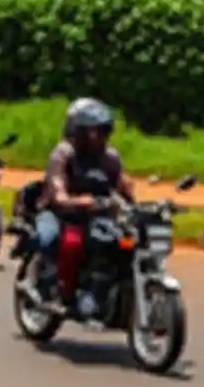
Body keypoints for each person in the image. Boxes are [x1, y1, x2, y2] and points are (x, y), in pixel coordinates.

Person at [33, 98, 135, 309]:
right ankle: (55, 288)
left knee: (122, 242)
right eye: (91, 131)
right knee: (54, 239)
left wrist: (130, 199)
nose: (97, 137)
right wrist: (72, 199)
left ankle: (105, 288)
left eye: (102, 131)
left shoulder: (110, 157)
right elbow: (57, 186)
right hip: (61, 213)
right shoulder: (63, 153)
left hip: (96, 214)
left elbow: (121, 186)